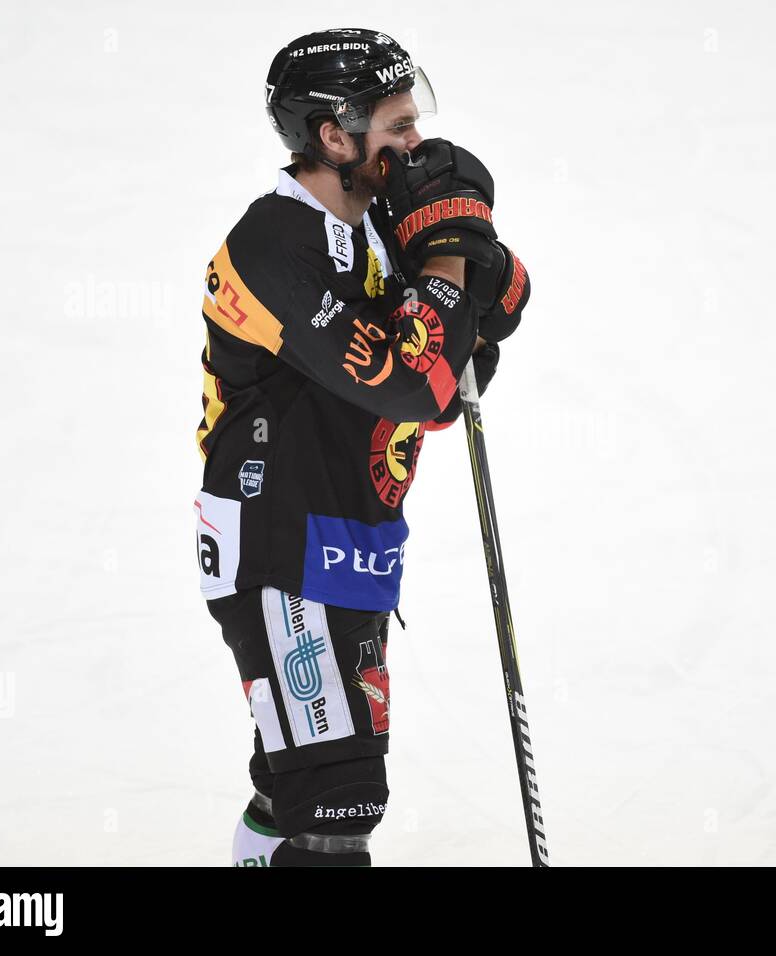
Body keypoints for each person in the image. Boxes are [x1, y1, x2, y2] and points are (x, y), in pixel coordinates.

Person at [192, 27, 531, 866]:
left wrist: (468, 249)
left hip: (357, 537)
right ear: (332, 136)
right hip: (280, 543)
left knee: (298, 781)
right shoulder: (270, 248)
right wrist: (452, 256)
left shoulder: (383, 224)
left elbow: (478, 342)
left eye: (416, 120)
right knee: (338, 806)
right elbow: (411, 381)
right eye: (397, 125)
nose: (417, 143)